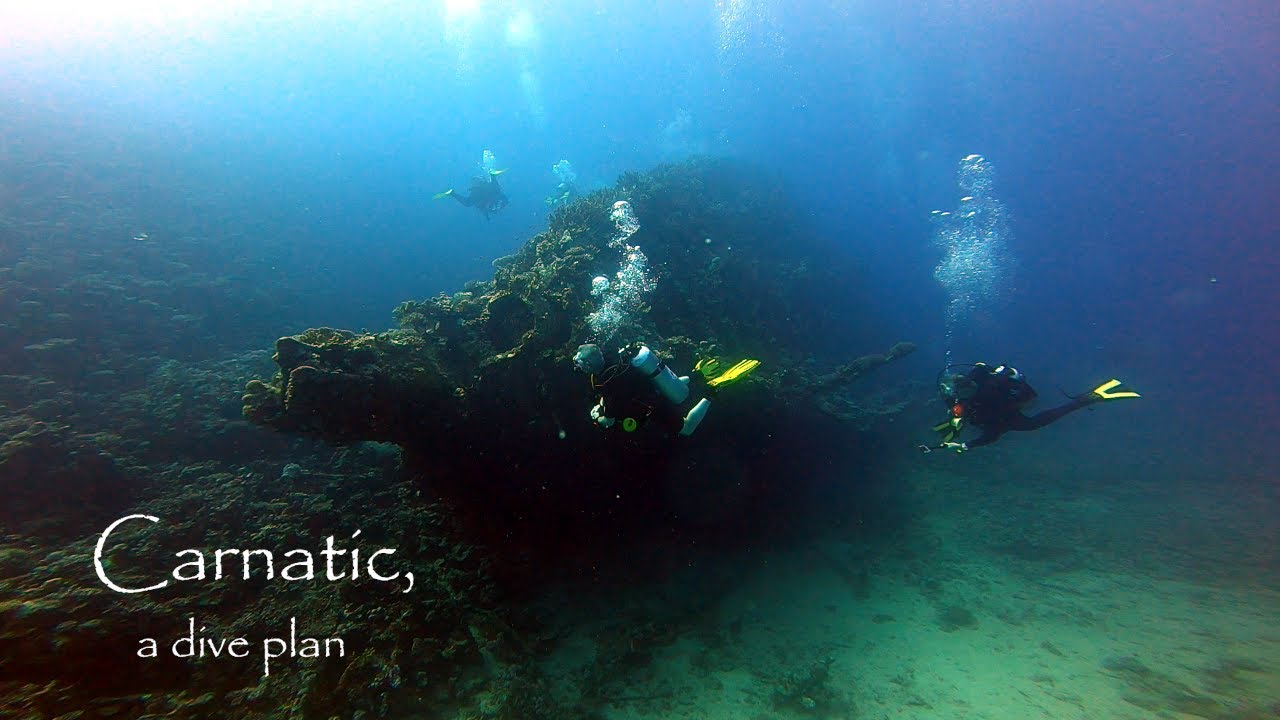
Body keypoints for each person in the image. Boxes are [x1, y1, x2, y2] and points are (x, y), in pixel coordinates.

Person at [922, 362, 1140, 453]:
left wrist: (966, 445)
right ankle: (1091, 397)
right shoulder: (961, 393)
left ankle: (1092, 397)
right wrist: (956, 417)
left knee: (1033, 424)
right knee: (959, 418)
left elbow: (994, 433)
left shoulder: (989, 394)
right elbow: (960, 410)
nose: (958, 398)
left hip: (1005, 415)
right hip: (989, 414)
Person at [572, 343, 759, 437]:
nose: (577, 366)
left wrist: (596, 416)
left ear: (589, 364)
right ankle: (696, 375)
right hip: (653, 387)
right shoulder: (614, 362)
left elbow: (610, 420)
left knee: (686, 428)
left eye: (579, 363)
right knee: (668, 386)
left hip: (652, 406)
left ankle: (711, 391)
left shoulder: (607, 382)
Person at [433, 169, 509, 219]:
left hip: (480, 191)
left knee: (496, 190)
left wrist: (496, 209)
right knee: (496, 191)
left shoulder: (483, 202)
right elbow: (504, 200)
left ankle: (493, 176)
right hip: (485, 189)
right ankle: (452, 193)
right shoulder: (489, 203)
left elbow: (503, 199)